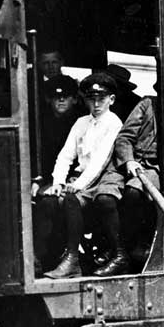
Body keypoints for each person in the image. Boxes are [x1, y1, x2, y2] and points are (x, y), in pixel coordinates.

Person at [41, 73, 123, 279]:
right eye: (91, 98)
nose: (96, 104)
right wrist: (59, 181)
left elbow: (101, 161)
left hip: (103, 177)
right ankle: (55, 255)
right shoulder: (81, 122)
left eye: (101, 99)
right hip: (80, 178)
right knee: (50, 200)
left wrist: (78, 184)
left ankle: (74, 258)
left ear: (111, 100)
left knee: (72, 199)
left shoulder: (113, 123)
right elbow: (66, 155)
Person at [32, 75, 83, 273]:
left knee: (51, 203)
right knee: (45, 202)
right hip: (51, 180)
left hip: (77, 180)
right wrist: (37, 179)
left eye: (66, 96)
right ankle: (44, 257)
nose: (61, 100)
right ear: (48, 100)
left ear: (75, 99)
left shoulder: (80, 122)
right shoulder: (41, 124)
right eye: (55, 97)